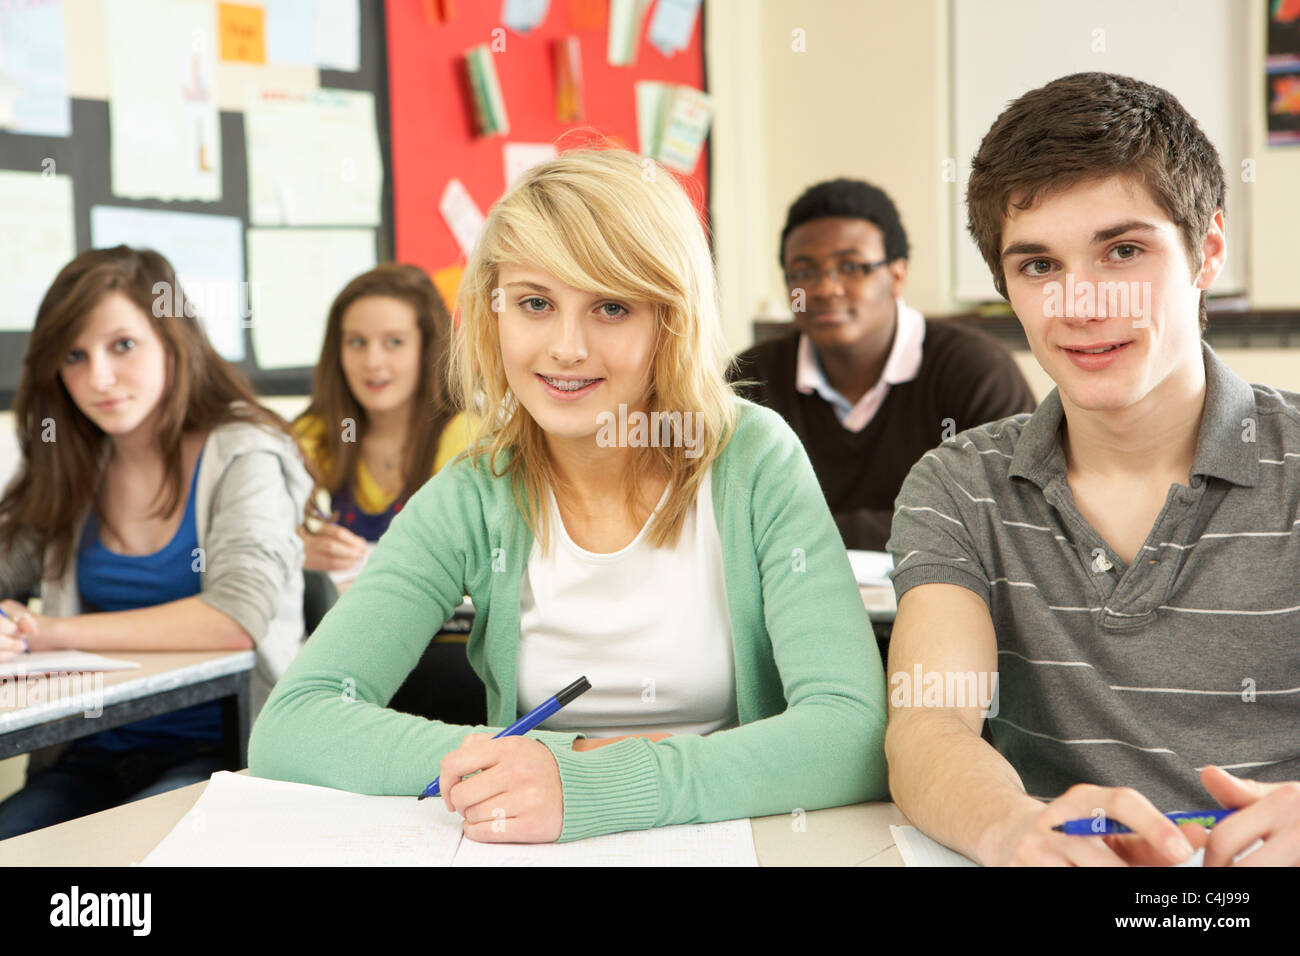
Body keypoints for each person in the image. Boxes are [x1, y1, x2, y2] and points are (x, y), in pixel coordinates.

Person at [249, 148, 888, 843]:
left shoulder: (752, 460)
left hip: (724, 841)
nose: (566, 347)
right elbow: (294, 723)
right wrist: (545, 766)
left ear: (670, 321)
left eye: (611, 307)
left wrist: (605, 783)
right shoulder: (474, 492)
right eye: (534, 304)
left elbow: (851, 732)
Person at [885, 72, 1300, 866]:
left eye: (1123, 251)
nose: (1080, 305)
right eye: (1039, 265)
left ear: (1208, 250)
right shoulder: (958, 485)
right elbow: (929, 724)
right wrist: (1008, 827)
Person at [0, 246, 311, 839]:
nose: (99, 378)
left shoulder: (244, 453)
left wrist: (48, 632)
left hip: (226, 753)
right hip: (87, 755)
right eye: (74, 356)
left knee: (134, 860)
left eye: (122, 345)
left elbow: (234, 617)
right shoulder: (72, 463)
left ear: (172, 340)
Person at [731, 179, 1036, 550]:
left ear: (897, 276)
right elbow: (731, 518)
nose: (826, 288)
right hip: (792, 595)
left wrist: (805, 533)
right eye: (804, 272)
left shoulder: (976, 370)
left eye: (852, 267)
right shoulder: (750, 379)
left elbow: (1004, 514)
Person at [293, 264, 469, 584]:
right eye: (357, 343)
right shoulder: (316, 434)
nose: (373, 362)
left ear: (428, 349)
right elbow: (258, 537)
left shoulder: (469, 438)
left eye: (394, 342)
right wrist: (295, 550)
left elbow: (469, 564)